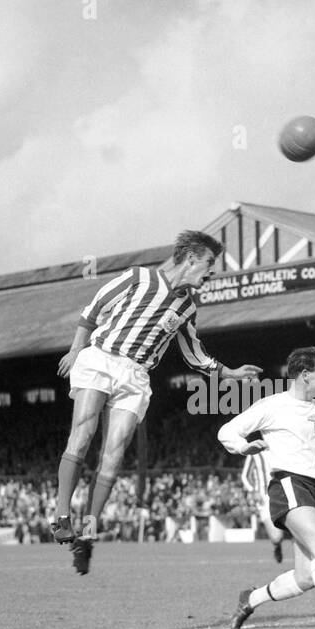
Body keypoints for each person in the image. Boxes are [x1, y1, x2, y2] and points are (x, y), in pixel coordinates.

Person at [51, 230, 261, 574]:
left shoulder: (187, 306)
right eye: (209, 263)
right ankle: (62, 517)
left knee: (114, 453)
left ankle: (86, 533)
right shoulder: (138, 277)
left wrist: (229, 373)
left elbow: (194, 355)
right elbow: (94, 309)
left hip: (135, 376)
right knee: (84, 433)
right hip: (102, 358)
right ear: (191, 258)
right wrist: (75, 349)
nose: (211, 271)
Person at [218, 347, 315, 629]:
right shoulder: (273, 405)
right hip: (288, 485)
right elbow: (227, 432)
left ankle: (251, 599)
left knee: (306, 577)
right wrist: (244, 447)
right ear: (305, 375)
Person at [241, 444, 286, 563]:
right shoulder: (254, 454)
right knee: (277, 537)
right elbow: (245, 476)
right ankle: (277, 546)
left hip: (284, 496)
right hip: (264, 498)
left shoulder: (283, 449)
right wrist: (253, 490)